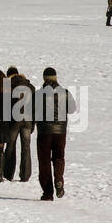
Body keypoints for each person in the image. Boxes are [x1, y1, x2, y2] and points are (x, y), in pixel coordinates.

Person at [34, 67, 77, 200]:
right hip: (60, 132)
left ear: (44, 78)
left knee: (44, 161)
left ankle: (48, 193)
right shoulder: (65, 93)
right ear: (56, 78)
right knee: (59, 158)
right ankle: (59, 180)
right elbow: (72, 109)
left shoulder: (38, 94)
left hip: (44, 132)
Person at [2, 66, 35, 183]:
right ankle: (25, 175)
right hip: (28, 121)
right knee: (26, 148)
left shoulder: (7, 85)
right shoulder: (30, 87)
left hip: (13, 121)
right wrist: (33, 124)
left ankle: (8, 174)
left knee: (10, 146)